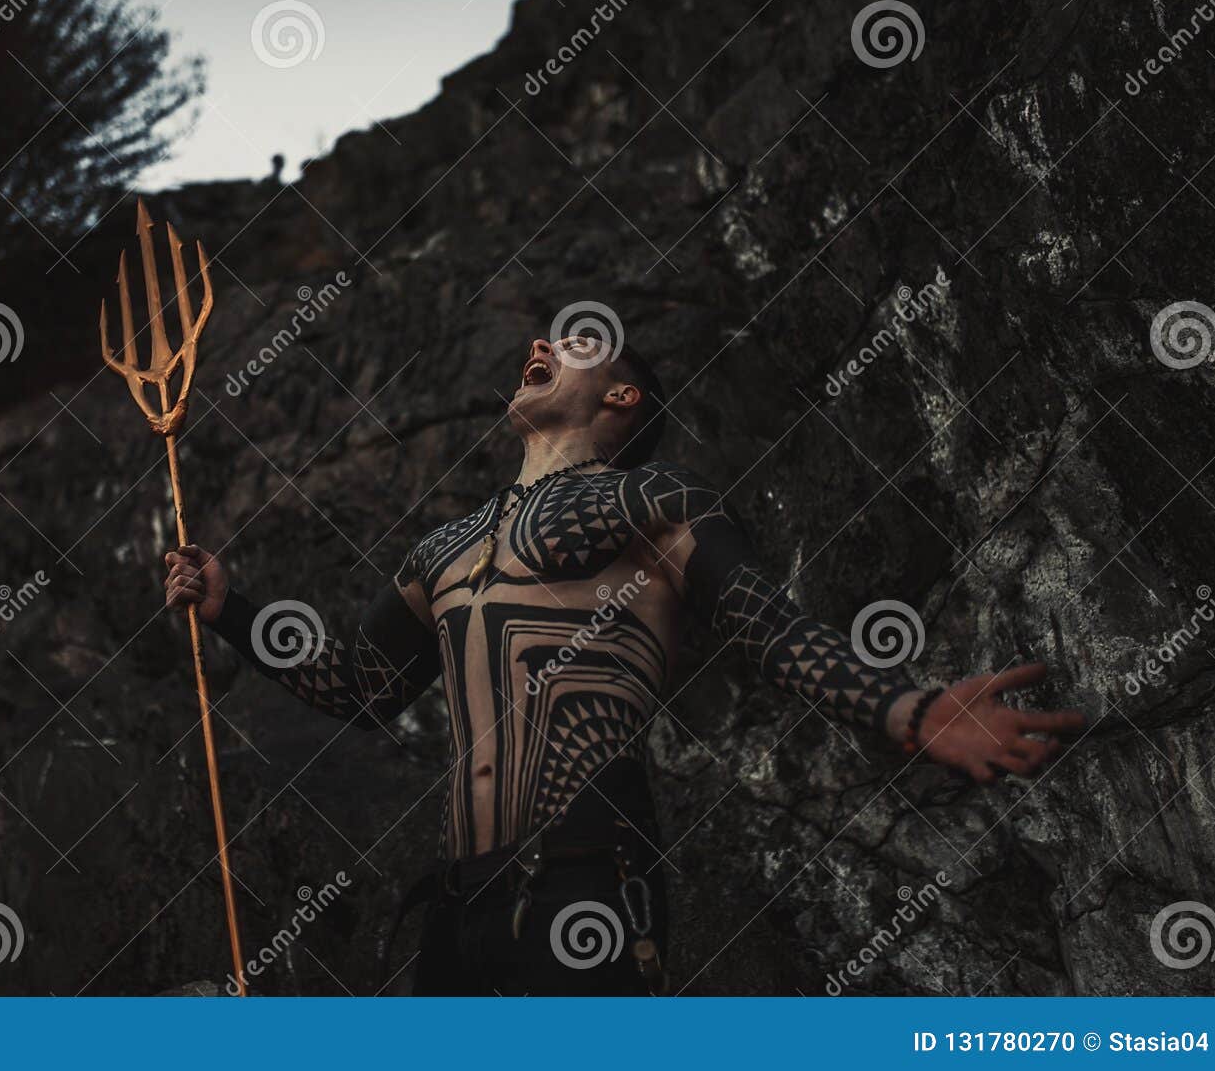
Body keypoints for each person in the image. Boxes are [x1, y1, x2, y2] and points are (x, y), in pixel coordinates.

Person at [162, 334, 1085, 994]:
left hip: (585, 881)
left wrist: (907, 707)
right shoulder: (444, 547)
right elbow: (363, 687)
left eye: (572, 341)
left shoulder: (651, 496)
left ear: (622, 397)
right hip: (456, 904)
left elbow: (760, 615)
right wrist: (232, 610)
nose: (539, 344)